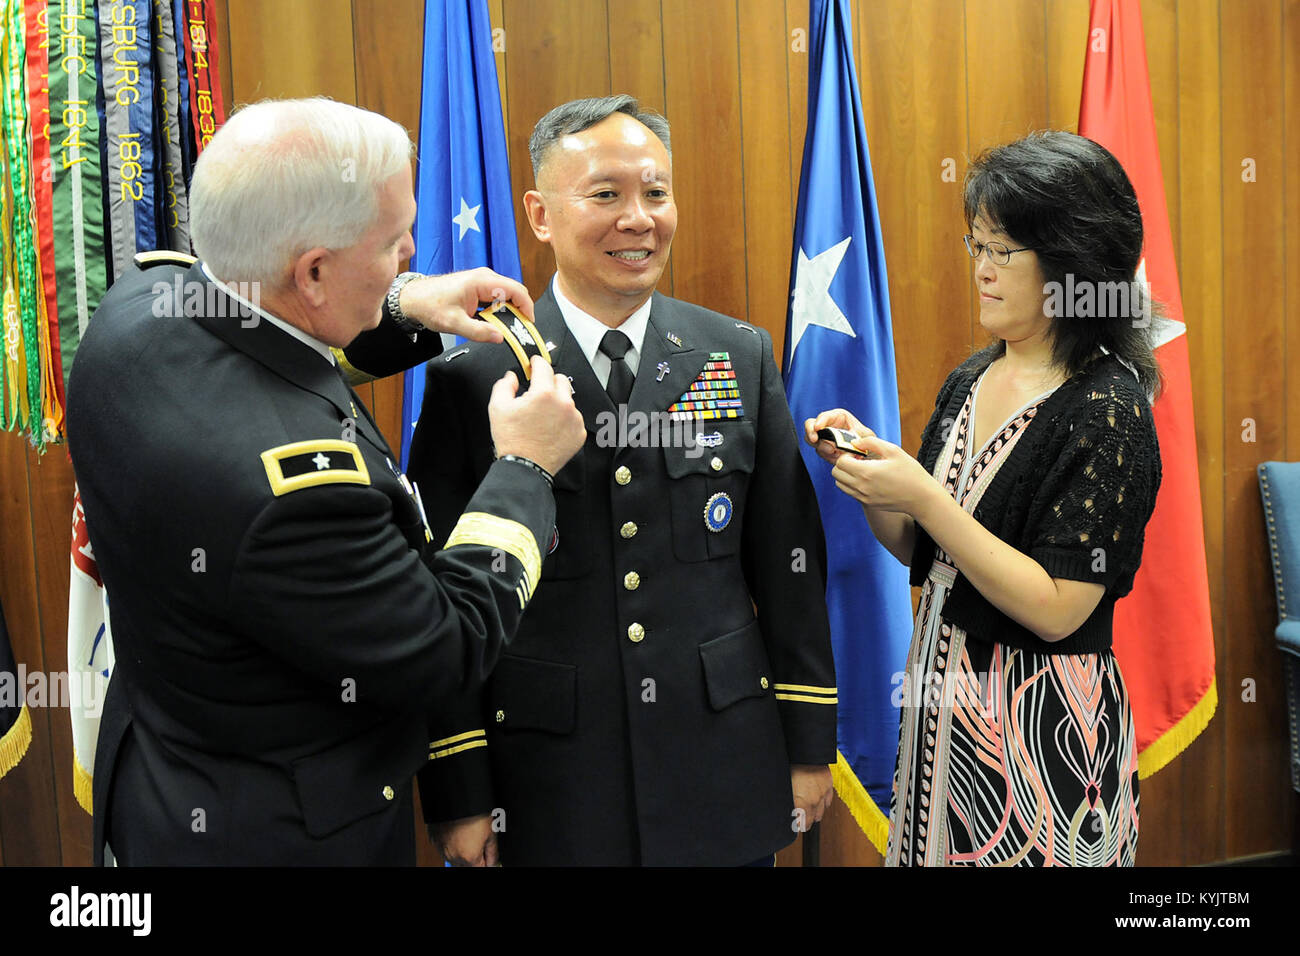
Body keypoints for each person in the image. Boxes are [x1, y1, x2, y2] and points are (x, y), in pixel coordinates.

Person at [65, 98, 586, 865]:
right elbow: (445, 649)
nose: (412, 247)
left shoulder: (139, 308)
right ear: (312, 271)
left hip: (163, 781)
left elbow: (270, 344)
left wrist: (406, 303)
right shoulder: (299, 496)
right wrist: (524, 467)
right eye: (391, 244)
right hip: (281, 834)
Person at [405, 95, 837, 866]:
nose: (638, 219)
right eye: (605, 194)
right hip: (549, 780)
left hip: (722, 763)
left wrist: (807, 745)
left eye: (656, 193)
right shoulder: (478, 379)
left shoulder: (732, 356)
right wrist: (460, 790)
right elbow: (440, 601)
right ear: (539, 214)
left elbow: (789, 564)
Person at [807, 131, 1160, 866]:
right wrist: (879, 479)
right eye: (977, 246)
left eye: (1005, 252)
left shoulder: (1108, 408)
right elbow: (924, 549)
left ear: (1072, 262)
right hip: (942, 696)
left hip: (1040, 721)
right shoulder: (973, 377)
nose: (983, 271)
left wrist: (928, 499)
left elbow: (1059, 607)